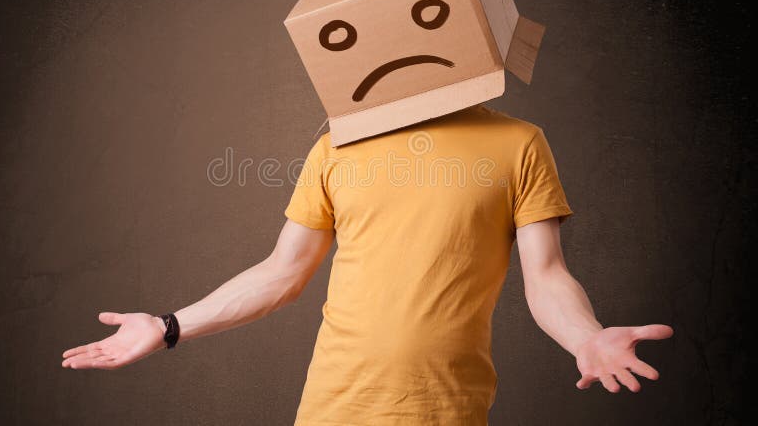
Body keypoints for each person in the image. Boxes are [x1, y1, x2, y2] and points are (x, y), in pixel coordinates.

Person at [61, 103, 674, 425]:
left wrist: (586, 337)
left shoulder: (518, 143)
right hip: (333, 409)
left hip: (448, 412)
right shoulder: (337, 144)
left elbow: (546, 276)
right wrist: (168, 326)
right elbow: (282, 272)